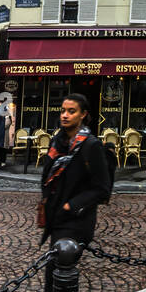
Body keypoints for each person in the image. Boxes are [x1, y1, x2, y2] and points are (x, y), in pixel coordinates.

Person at [36, 95, 116, 247]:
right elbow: (47, 175)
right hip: (56, 217)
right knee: (56, 267)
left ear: (83, 114)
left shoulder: (91, 146)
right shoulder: (56, 142)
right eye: (63, 111)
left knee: (59, 266)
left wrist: (70, 206)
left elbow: (102, 188)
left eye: (71, 111)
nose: (65, 115)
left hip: (76, 220)